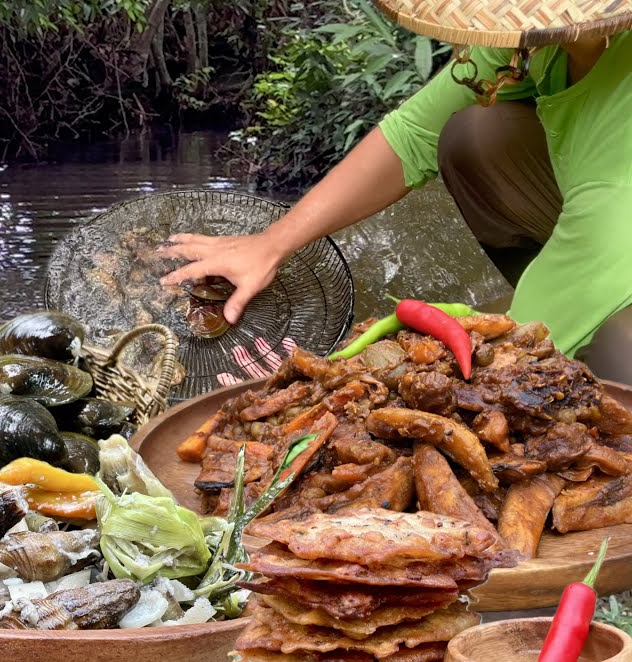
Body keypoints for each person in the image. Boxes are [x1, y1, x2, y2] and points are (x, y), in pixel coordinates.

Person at [160, 5, 632, 383]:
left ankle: (590, 329)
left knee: (613, 352)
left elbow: (600, 235)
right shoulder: (540, 34)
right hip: (603, 219)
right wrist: (272, 243)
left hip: (613, 222)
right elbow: (411, 135)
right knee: (477, 135)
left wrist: (333, 380)